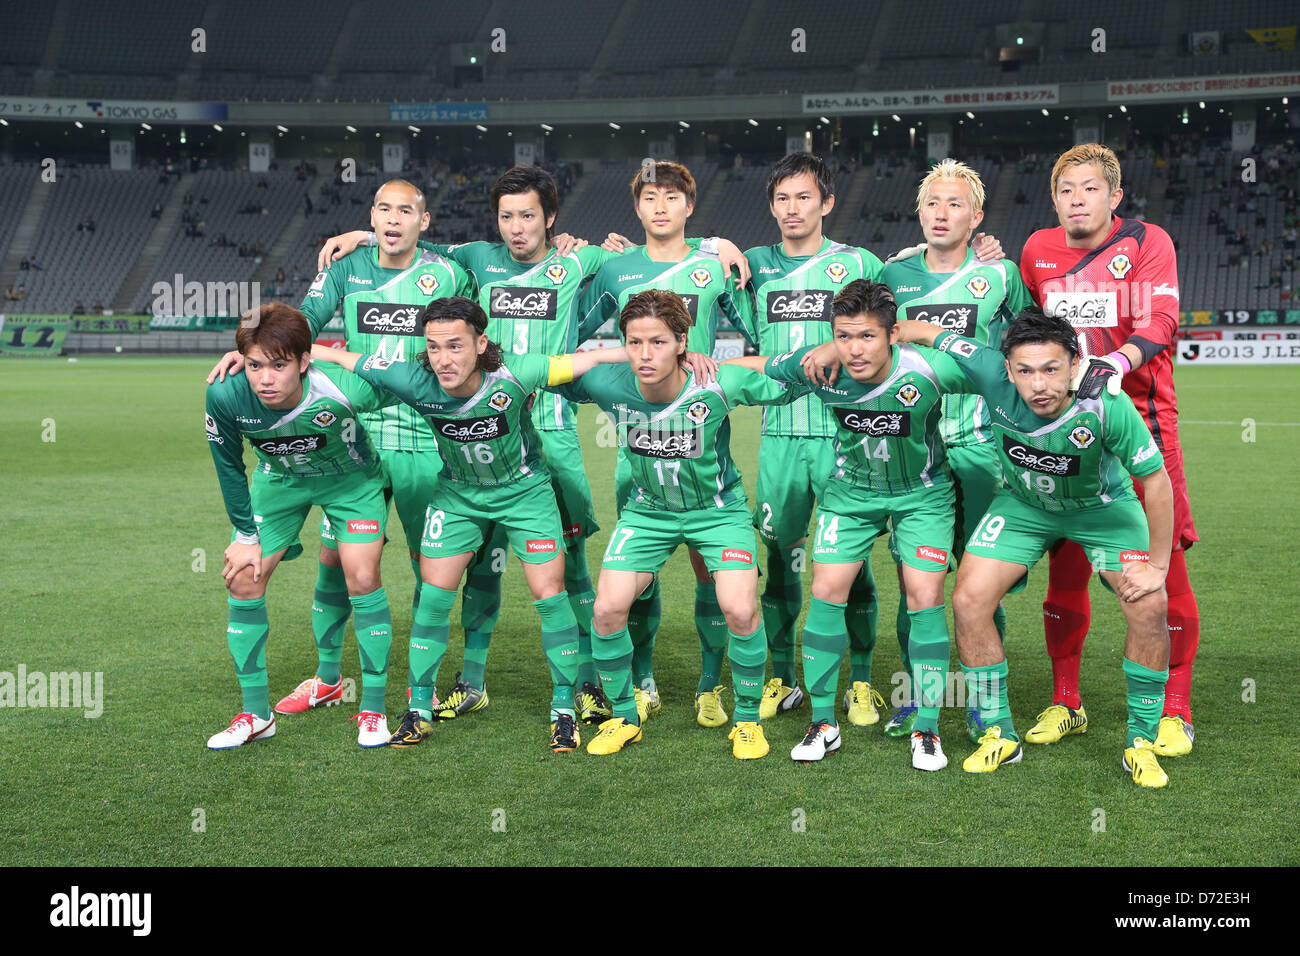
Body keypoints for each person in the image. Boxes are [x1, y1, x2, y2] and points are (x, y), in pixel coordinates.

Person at [207, 179, 478, 720]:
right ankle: (329, 678)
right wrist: (257, 349)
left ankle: (426, 688)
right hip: (352, 434)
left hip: (426, 432)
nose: (392, 219)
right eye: (381, 211)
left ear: (423, 221)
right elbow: (301, 322)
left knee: (433, 563)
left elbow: (489, 260)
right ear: (371, 215)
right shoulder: (345, 270)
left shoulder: (446, 270)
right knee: (337, 562)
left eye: (405, 211)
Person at [312, 296, 625, 752]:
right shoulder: (412, 378)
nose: (444, 359)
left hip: (525, 494)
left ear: (481, 343)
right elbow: (343, 357)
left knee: (548, 594)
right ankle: (418, 710)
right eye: (434, 347)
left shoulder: (518, 372)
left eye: (456, 346)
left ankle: (563, 708)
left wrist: (676, 351)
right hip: (457, 496)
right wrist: (265, 351)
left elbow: (591, 357)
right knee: (434, 598)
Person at [896, 309, 1175, 788]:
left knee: (1149, 605)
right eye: (1025, 371)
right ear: (1007, 370)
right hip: (1024, 506)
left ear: (1074, 364)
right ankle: (1000, 735)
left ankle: (1142, 742)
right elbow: (928, 332)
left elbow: (1155, 480)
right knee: (968, 600)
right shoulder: (988, 370)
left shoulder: (1107, 403)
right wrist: (877, 334)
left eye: (1051, 369)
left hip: (1103, 509)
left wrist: (1158, 565)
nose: (1038, 384)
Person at [735, 279, 977, 770]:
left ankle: (928, 730)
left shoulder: (928, 370)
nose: (854, 349)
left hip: (922, 495)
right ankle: (823, 723)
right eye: (843, 336)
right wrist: (696, 365)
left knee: (924, 597)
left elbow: (992, 369)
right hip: (851, 494)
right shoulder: (822, 368)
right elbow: (759, 368)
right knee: (825, 590)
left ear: (892, 335)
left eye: (867, 336)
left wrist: (927, 333)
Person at [553, 290, 800, 759]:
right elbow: (551, 369)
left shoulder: (719, 383)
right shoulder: (608, 384)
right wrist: (609, 352)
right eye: (635, 343)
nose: (645, 355)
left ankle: (747, 722)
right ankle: (625, 717)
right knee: (606, 610)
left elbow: (790, 376)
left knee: (741, 611)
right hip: (649, 512)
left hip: (718, 511)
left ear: (682, 341)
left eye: (659, 342)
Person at [1020, 143, 1199, 758]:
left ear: (1114, 196)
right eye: (1066, 189)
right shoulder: (1036, 253)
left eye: (1090, 188)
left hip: (1142, 424)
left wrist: (1114, 363)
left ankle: (1176, 707)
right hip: (1069, 436)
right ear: (1054, 198)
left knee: (1160, 571)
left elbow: (1162, 321)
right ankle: (1066, 700)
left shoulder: (1149, 242)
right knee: (1065, 567)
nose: (1077, 199)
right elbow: (1025, 330)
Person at [582, 161, 757, 724]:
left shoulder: (716, 263)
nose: (660, 207)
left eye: (672, 197)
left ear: (689, 205)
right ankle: (643, 678)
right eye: (650, 197)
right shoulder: (614, 268)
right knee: (637, 571)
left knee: (713, 572)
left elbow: (753, 333)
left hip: (702, 430)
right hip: (638, 438)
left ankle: (711, 684)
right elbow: (573, 337)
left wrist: (706, 360)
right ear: (637, 208)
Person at [880, 158, 1031, 741]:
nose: (942, 214)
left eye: (955, 204)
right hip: (911, 447)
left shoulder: (1000, 274)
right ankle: (918, 697)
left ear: (977, 216)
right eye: (932, 204)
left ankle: (977, 696)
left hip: (980, 449)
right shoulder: (892, 276)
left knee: (979, 582)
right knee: (915, 579)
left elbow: (1029, 348)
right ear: (918, 211)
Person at [204, 303, 396, 749]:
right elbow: (228, 466)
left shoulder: (344, 387)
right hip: (280, 482)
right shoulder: (225, 393)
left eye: (279, 364)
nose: (265, 378)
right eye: (254, 365)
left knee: (362, 576)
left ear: (303, 361)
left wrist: (335, 354)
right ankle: (256, 715)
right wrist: (246, 537)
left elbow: (414, 383)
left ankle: (373, 709)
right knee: (243, 580)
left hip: (352, 482)